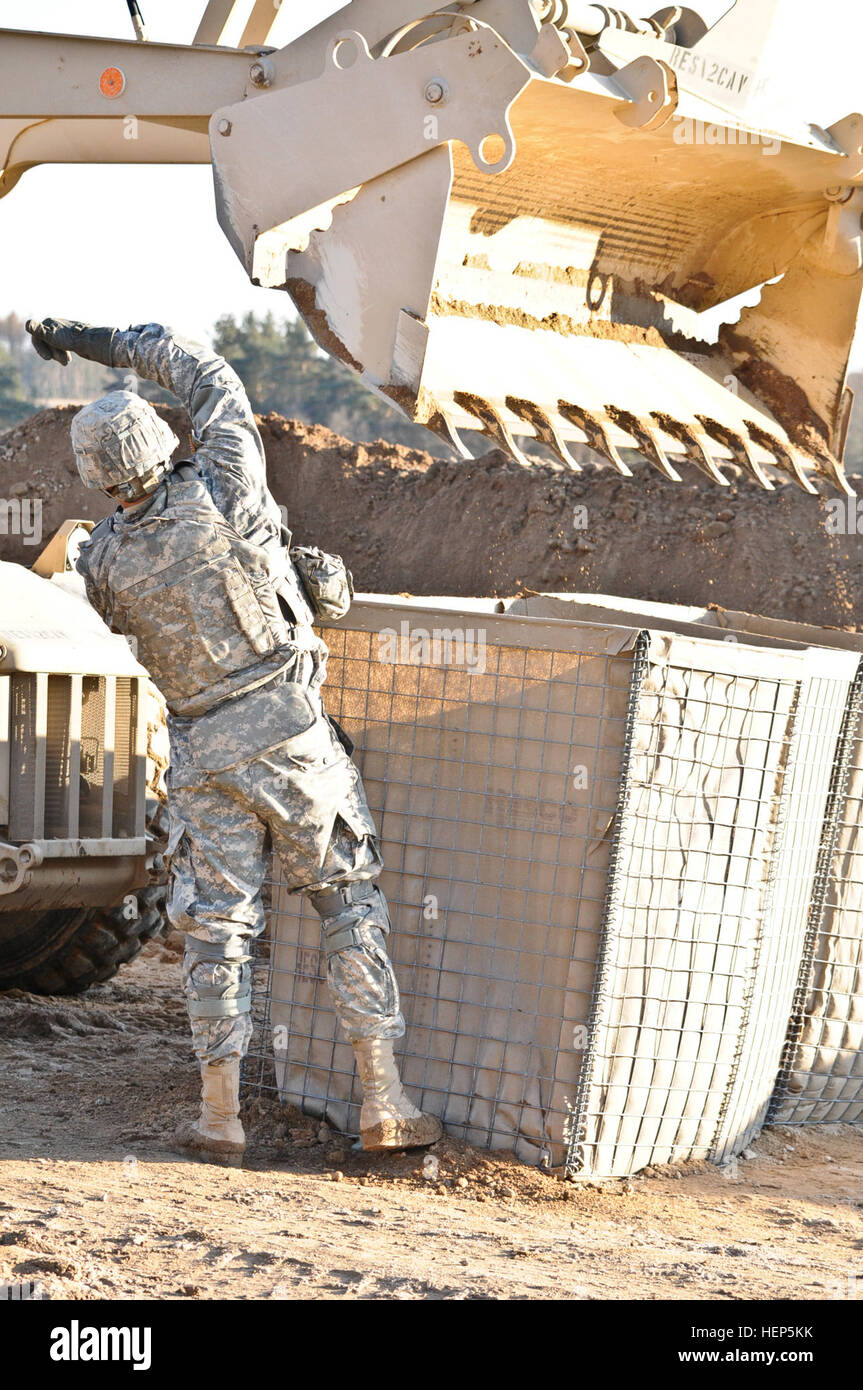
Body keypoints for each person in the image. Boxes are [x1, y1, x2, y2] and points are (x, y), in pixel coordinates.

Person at [26, 317, 442, 1167]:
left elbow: (87, 592)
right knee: (345, 901)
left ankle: (220, 1118)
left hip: (203, 759)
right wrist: (90, 339)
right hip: (290, 736)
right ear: (158, 441)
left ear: (98, 476)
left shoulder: (101, 558)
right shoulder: (226, 485)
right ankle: (384, 1101)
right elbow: (201, 367)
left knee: (217, 932)